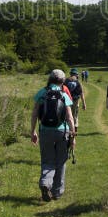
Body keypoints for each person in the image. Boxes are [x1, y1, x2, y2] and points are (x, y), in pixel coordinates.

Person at [31, 69, 76, 201]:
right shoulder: (64, 95)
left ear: (50, 79)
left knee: (47, 160)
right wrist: (73, 135)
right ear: (62, 81)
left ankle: (45, 183)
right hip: (62, 132)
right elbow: (69, 117)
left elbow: (34, 114)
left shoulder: (41, 93)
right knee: (61, 161)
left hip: (45, 131)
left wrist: (33, 131)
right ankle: (56, 192)